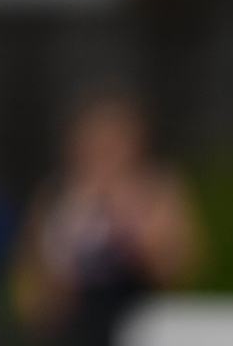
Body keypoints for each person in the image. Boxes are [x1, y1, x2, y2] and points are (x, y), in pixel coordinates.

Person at [11, 96, 200, 346]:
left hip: (139, 321)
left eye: (114, 143)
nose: (105, 154)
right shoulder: (54, 196)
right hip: (75, 326)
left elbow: (178, 267)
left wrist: (131, 215)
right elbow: (31, 285)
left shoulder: (156, 190)